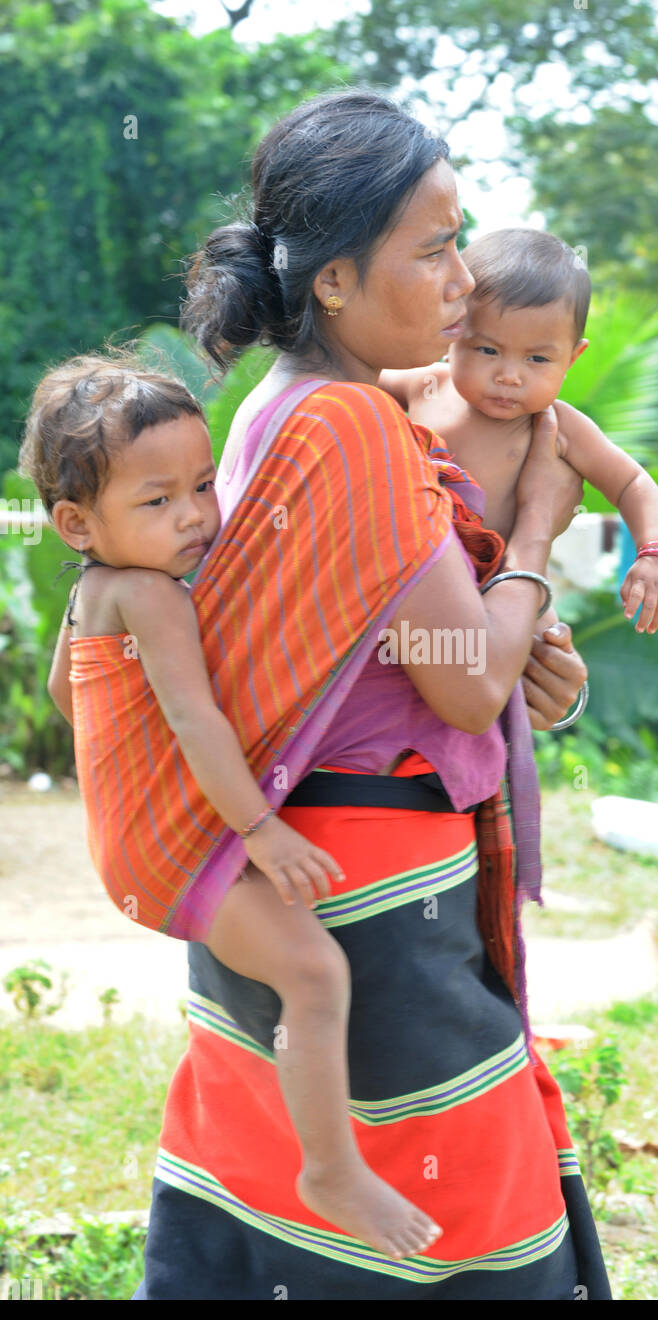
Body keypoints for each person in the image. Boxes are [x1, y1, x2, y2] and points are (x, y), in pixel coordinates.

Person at [42, 88, 610, 1299]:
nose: (464, 278)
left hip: (283, 860)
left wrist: (518, 656)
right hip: (366, 885)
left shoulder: (272, 409)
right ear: (338, 279)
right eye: (434, 245)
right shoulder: (354, 425)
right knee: (468, 1235)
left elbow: (402, 659)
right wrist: (536, 543)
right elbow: (462, 688)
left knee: (268, 1217)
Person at [21, 350, 448, 1261]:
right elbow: (197, 719)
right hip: (170, 846)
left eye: (204, 486)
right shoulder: (152, 598)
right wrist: (255, 825)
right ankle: (330, 1168)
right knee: (315, 974)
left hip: (127, 843)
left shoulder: (90, 591)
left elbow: (70, 695)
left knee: (296, 971)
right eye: (157, 500)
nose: (193, 517)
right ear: (74, 520)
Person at [379, 227, 658, 635]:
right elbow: (342, 380)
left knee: (547, 650)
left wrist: (656, 552)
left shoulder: (557, 424)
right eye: (487, 350)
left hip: (506, 585)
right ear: (452, 331)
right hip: (416, 579)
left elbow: (633, 482)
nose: (509, 376)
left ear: (572, 358)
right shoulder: (424, 385)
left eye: (537, 358)